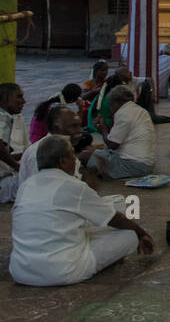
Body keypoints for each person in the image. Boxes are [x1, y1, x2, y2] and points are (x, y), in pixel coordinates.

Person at [10, 134, 152, 286]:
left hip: (21, 271)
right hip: (61, 272)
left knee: (114, 204)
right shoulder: (72, 185)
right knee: (129, 235)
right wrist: (141, 233)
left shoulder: (26, 186)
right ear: (62, 161)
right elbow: (114, 218)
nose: (76, 159)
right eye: (72, 155)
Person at [18, 103, 97, 187]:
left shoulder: (63, 147)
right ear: (56, 129)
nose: (80, 131)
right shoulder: (38, 154)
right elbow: (42, 190)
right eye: (74, 126)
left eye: (79, 126)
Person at [89, 85, 157, 180]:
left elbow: (113, 144)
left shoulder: (124, 113)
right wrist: (103, 128)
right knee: (98, 153)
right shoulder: (138, 110)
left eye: (111, 105)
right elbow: (115, 136)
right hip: (146, 164)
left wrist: (103, 128)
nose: (111, 108)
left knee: (89, 157)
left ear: (117, 102)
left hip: (133, 166)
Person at [0, 82, 27, 203]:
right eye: (19, 96)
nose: (24, 101)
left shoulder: (7, 117)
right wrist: (17, 166)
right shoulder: (2, 117)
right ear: (5, 99)